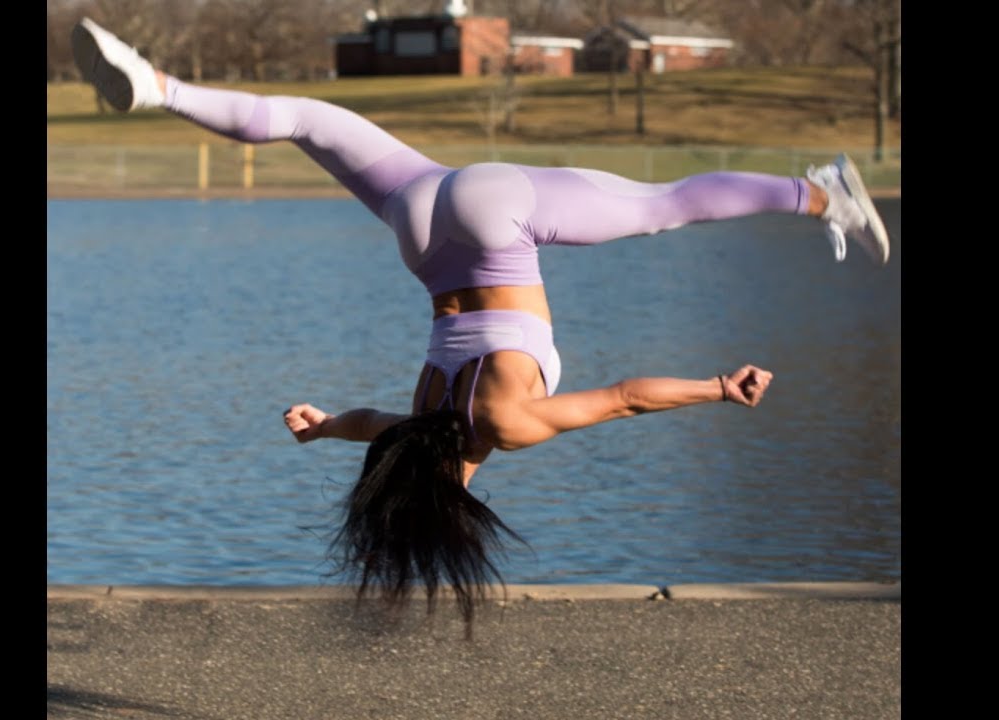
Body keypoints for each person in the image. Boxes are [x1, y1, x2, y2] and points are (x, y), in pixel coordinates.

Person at [70, 18, 890, 637]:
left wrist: (718, 388)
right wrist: (321, 429)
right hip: (422, 222)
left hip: (498, 221)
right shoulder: (412, 426)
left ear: (457, 499)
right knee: (310, 121)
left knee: (663, 206)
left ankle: (824, 193)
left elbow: (626, 399)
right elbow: (367, 424)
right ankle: (161, 88)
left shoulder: (503, 425)